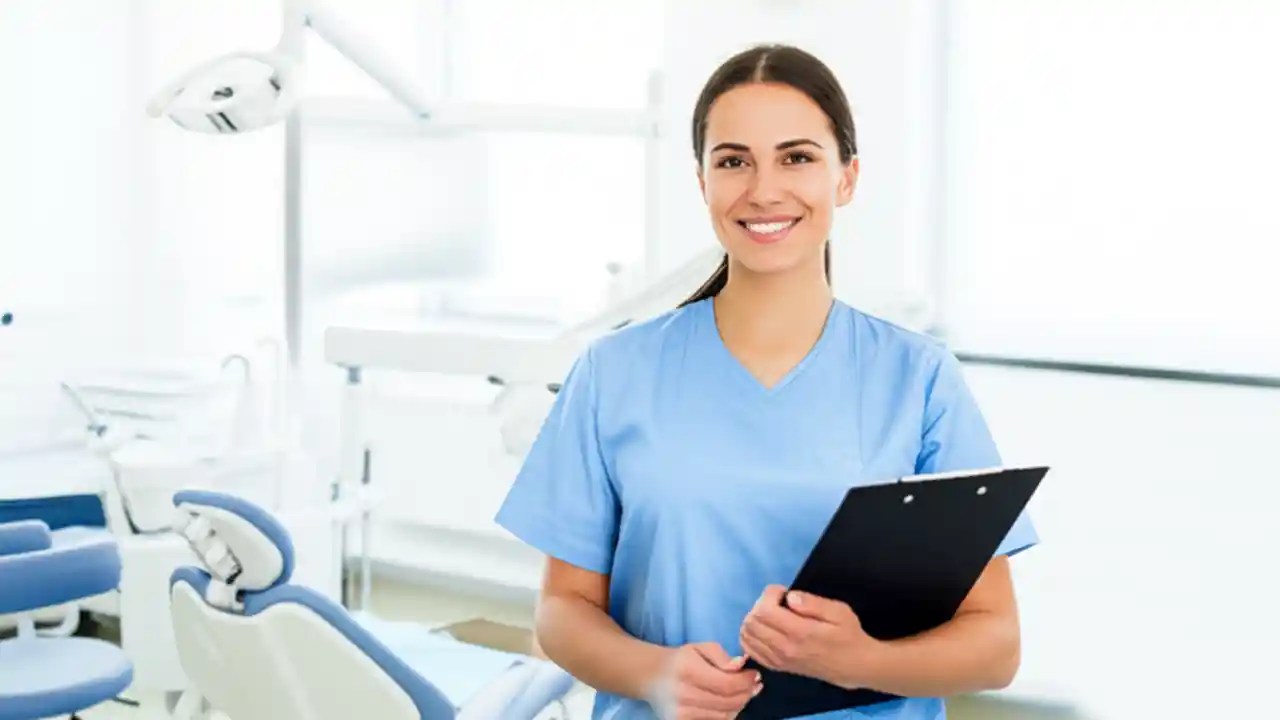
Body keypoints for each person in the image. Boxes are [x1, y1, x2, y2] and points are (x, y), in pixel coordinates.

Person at [495, 44, 1037, 720]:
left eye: (797, 157)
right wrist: (657, 674)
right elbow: (563, 611)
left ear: (847, 177)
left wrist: (857, 661)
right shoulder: (614, 374)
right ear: (703, 182)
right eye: (733, 162)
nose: (764, 189)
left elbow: (995, 644)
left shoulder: (918, 380)